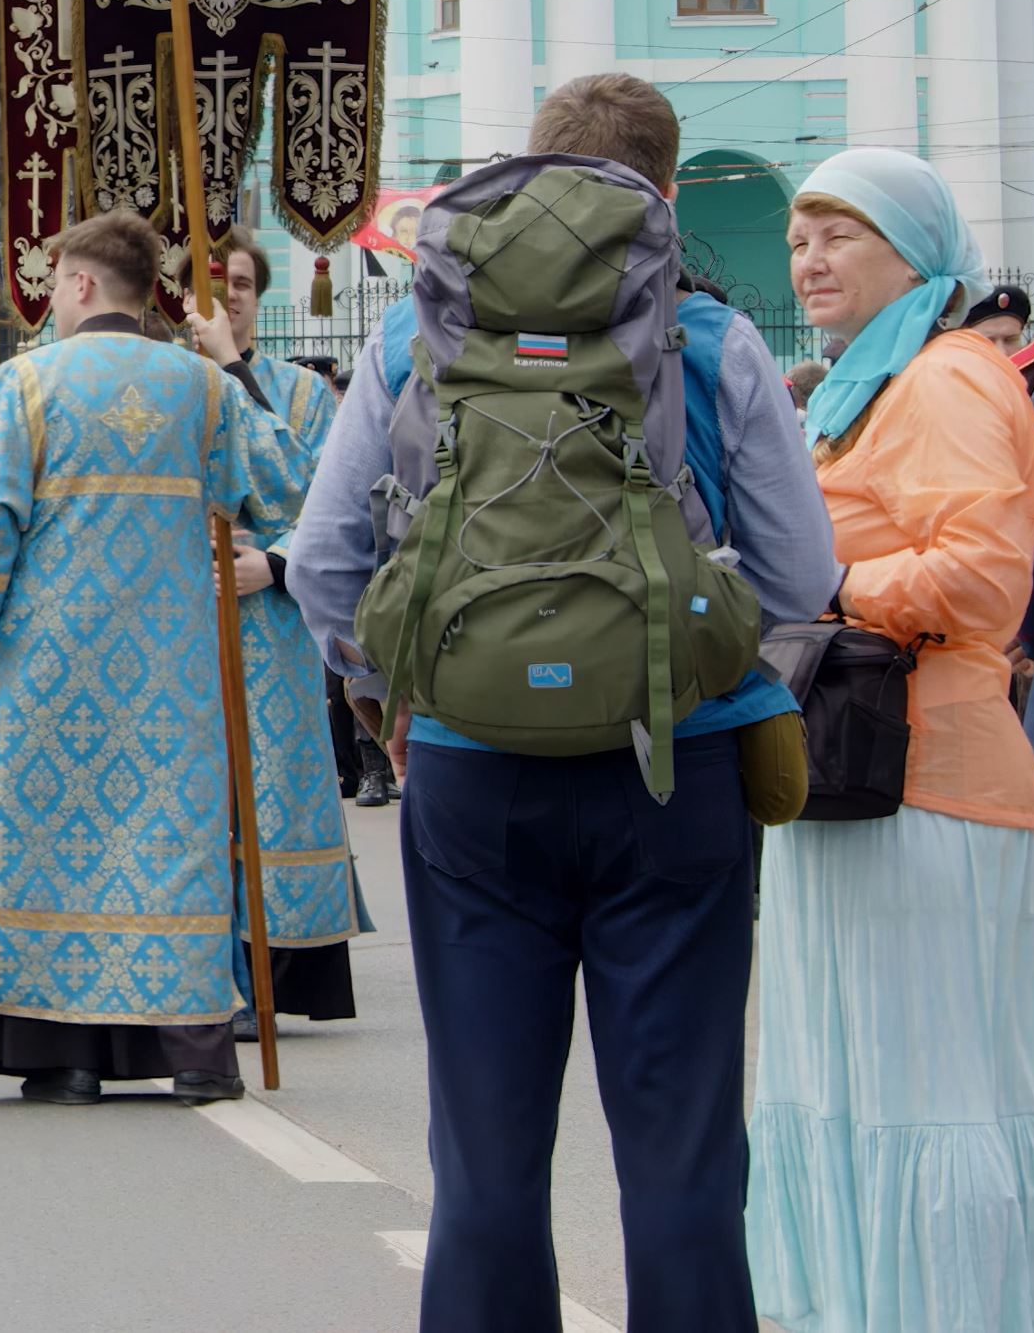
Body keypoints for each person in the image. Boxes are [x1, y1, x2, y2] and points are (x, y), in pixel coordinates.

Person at [285, 74, 837, 1332]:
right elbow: (803, 577)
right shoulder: (710, 339)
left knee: (483, 1155)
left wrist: (398, 701)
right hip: (674, 772)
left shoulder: (407, 341)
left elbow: (323, 559)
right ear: (667, 192)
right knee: (683, 1154)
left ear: (524, 171)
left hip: (472, 774)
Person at [0, 212, 307, 1109]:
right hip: (171, 673)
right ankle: (197, 1053)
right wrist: (230, 366)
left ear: (78, 284)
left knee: (47, 850)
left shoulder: (27, 384)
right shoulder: (201, 388)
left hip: (43, 668)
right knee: (169, 848)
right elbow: (284, 487)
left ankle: (63, 1056)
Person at [748, 150, 1034, 1331]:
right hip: (854, 777)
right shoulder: (861, 386)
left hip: (931, 786)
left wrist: (821, 581)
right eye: (797, 240)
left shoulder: (947, 378)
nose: (809, 261)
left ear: (912, 249)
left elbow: (982, 577)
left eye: (838, 235)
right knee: (843, 1083)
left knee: (928, 1087)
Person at [204, 228, 364, 1038]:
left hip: (271, 626)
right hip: (186, 624)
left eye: (239, 280)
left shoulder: (301, 393)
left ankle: (263, 965)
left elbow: (332, 500)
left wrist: (275, 558)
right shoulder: (170, 383)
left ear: (258, 294)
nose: (226, 293)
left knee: (265, 791)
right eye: (212, 280)